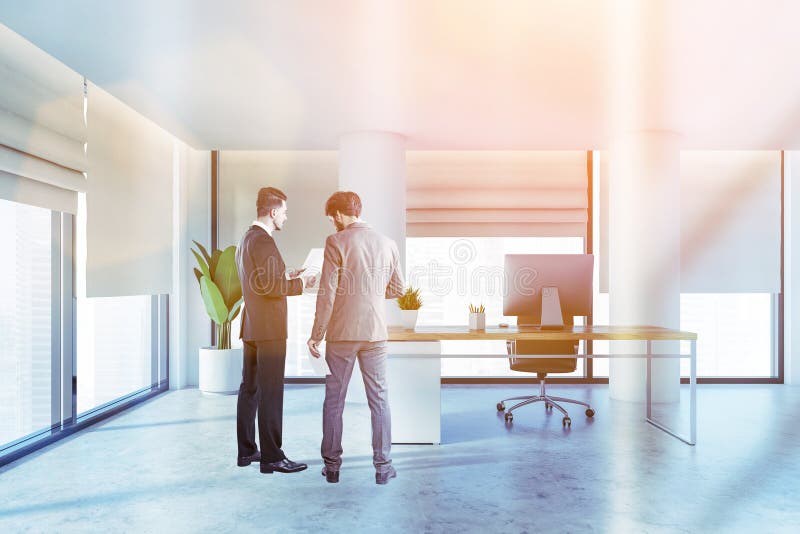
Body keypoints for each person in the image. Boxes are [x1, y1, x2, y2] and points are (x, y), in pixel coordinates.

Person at [307, 191, 405, 485]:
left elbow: (327, 294)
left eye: (331, 217)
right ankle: (383, 467)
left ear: (338, 214)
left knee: (334, 401)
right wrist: (371, 294)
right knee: (380, 400)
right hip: (375, 334)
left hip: (342, 334)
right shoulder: (388, 243)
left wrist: (316, 335)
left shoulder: (336, 242)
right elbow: (398, 288)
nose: (332, 223)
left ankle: (333, 466)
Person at [236, 186, 315, 474]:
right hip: (269, 328)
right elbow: (271, 288)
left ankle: (247, 452)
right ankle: (272, 457)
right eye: (284, 211)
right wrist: (303, 284)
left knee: (250, 389)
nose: (285, 216)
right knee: (270, 392)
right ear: (272, 212)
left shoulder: (247, 238)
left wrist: (287, 274)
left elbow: (262, 280)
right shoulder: (264, 241)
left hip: (252, 326)